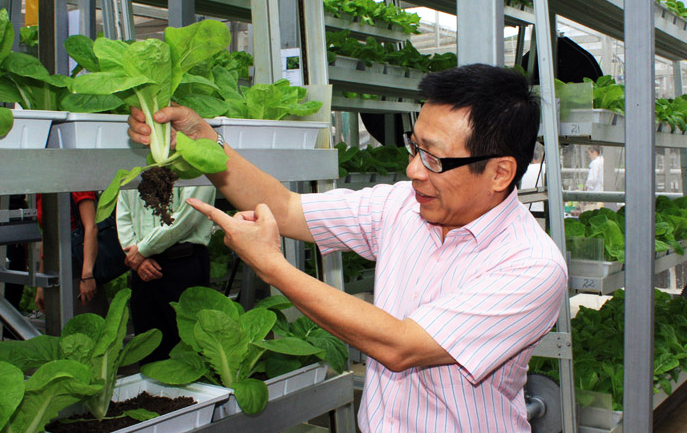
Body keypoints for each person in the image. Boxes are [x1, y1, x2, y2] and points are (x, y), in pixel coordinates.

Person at [128, 63, 567, 432]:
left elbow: (400, 346)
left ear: (500, 172)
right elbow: (285, 208)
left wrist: (272, 266)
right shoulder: (400, 206)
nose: (414, 170)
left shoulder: (531, 267)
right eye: (414, 147)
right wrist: (206, 141)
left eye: (433, 158)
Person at [115, 186, 216, 364]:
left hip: (182, 262)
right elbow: (123, 214)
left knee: (190, 345)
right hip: (141, 265)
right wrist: (137, 255)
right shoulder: (131, 170)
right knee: (149, 347)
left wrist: (143, 249)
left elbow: (189, 215)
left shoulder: (193, 167)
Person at [35, 192, 109, 317]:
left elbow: (91, 227)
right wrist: (41, 283)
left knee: (85, 327)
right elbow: (48, 235)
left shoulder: (75, 182)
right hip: (55, 272)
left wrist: (87, 275)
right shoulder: (43, 189)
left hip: (77, 269)